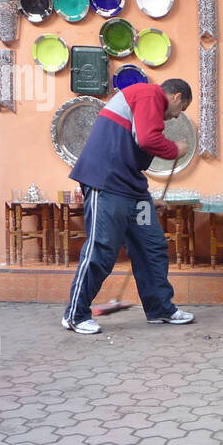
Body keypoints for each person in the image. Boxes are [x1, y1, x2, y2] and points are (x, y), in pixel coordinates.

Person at [61, 78, 196, 334]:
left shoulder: (148, 104)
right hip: (107, 183)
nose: (177, 118)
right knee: (101, 248)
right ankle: (75, 315)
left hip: (133, 191)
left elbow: (137, 142)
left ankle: (160, 309)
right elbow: (147, 139)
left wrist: (147, 200)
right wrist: (174, 148)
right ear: (176, 97)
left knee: (152, 245)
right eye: (182, 109)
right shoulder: (148, 95)